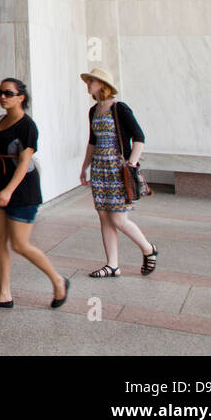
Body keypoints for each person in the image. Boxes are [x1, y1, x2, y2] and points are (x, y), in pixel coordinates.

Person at [0, 78, 69, 309]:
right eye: (0, 92)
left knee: (19, 244)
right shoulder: (1, 120)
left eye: (8, 93)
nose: (2, 97)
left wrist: (8, 191)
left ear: (21, 97)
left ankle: (59, 281)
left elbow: (24, 161)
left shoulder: (27, 125)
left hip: (22, 188)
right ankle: (4, 293)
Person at [79, 68, 157, 277]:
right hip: (99, 169)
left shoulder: (120, 108)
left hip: (117, 169)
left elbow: (139, 137)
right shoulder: (93, 110)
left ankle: (148, 249)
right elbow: (92, 142)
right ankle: (112, 265)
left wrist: (131, 164)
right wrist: (84, 167)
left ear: (102, 84)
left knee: (119, 219)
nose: (88, 85)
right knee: (104, 217)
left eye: (91, 81)